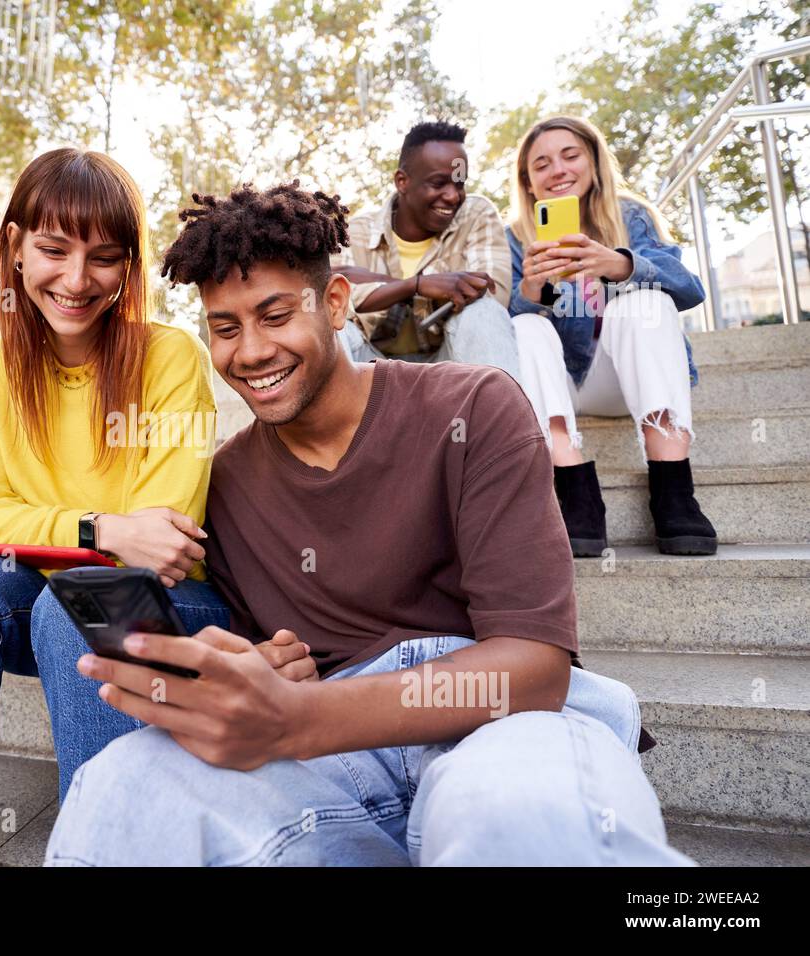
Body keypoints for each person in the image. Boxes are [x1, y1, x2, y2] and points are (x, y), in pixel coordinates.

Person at [42, 181, 694, 866]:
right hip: (335, 762)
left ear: (334, 304)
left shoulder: (473, 404)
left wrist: (298, 717)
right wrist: (267, 669)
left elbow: (534, 672)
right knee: (123, 784)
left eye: (274, 316)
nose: (252, 351)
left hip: (502, 728)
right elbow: (280, 661)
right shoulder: (225, 483)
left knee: (514, 816)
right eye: (226, 328)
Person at [0, 147, 230, 867]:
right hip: (52, 593)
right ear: (15, 247)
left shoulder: (169, 357)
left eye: (104, 258)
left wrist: (69, 541)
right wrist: (99, 526)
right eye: (51, 249)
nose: (76, 281)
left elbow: (159, 544)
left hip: (174, 610)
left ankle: (101, 855)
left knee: (79, 595)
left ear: (129, 268)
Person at [507, 116, 716, 557]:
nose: (558, 170)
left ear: (593, 161)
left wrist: (619, 264)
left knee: (644, 302)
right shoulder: (515, 238)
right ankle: (575, 490)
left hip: (618, 381)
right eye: (541, 164)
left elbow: (689, 287)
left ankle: (673, 489)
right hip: (558, 385)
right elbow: (499, 328)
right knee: (522, 325)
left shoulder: (630, 217)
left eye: (570, 155)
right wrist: (528, 293)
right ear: (528, 183)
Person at [332, 121, 518, 379]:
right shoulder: (358, 231)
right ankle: (331, 421)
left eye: (459, 183)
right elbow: (334, 301)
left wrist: (384, 286)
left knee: (483, 313)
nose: (453, 196)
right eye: (438, 183)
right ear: (402, 181)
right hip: (371, 372)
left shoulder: (476, 214)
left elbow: (491, 294)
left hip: (448, 368)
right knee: (330, 326)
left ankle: (500, 418)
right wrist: (417, 286)